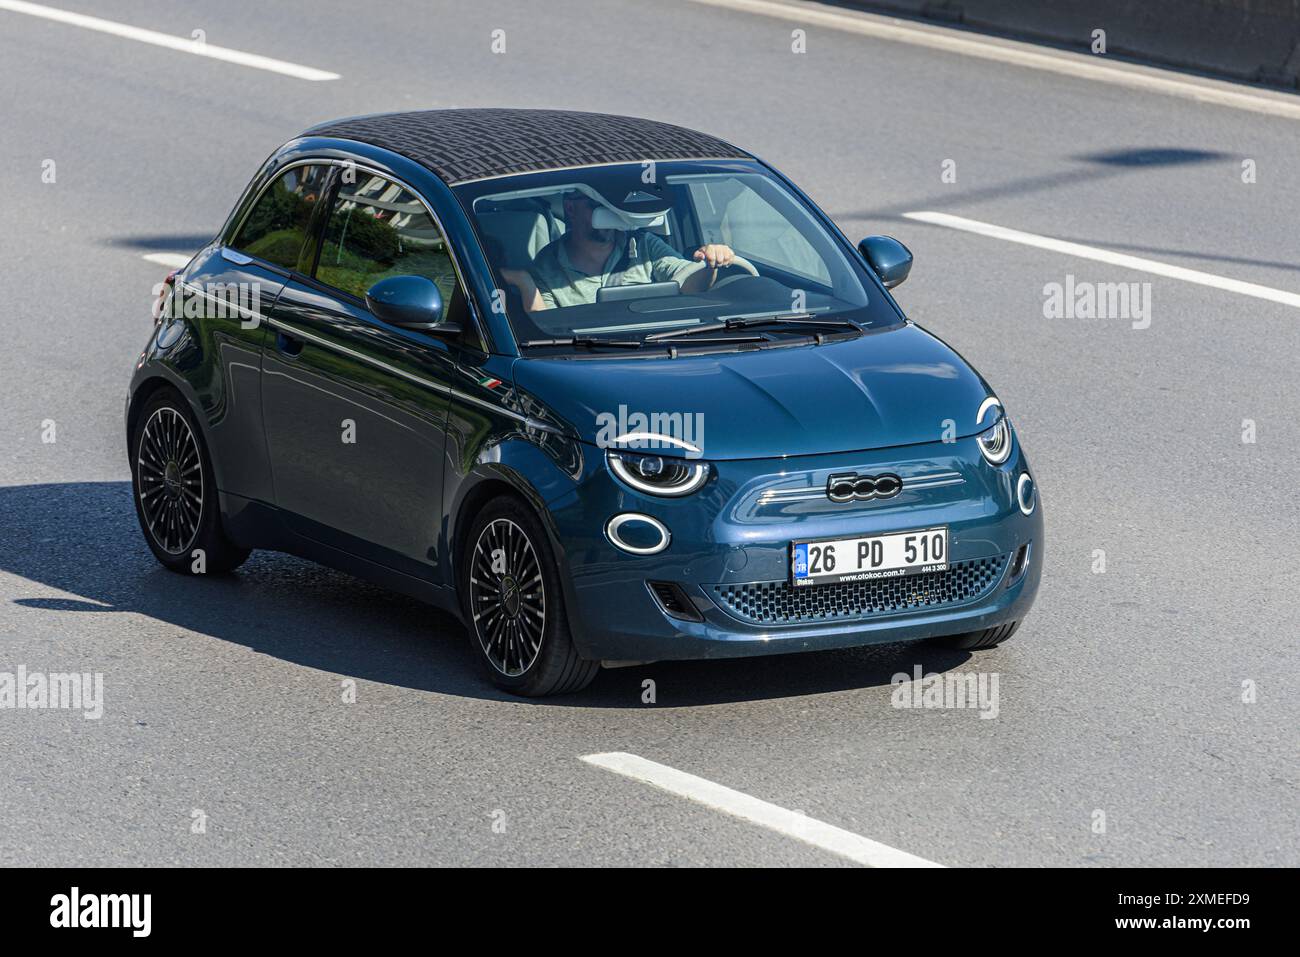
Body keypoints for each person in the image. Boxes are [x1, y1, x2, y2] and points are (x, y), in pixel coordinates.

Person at [500, 191, 737, 312]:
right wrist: (526, 284)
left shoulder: (645, 244)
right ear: (571, 208)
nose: (608, 215)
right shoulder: (547, 265)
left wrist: (711, 261)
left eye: (611, 207)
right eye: (597, 205)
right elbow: (544, 329)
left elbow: (691, 285)